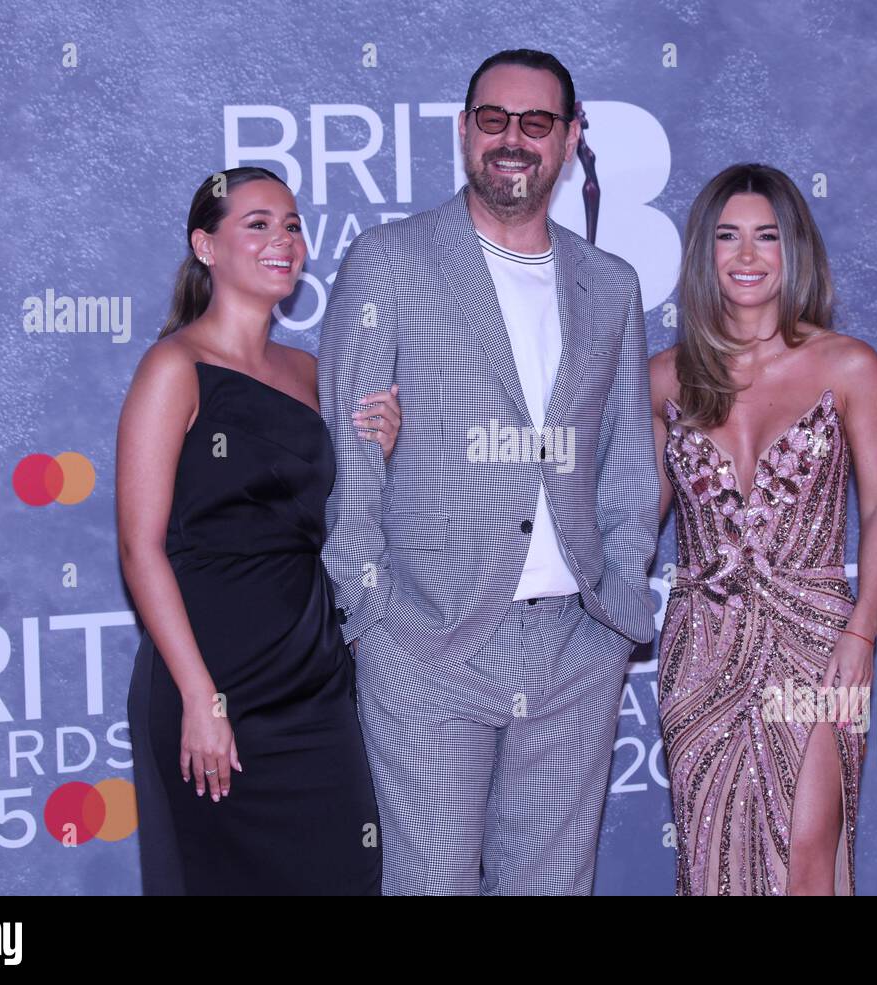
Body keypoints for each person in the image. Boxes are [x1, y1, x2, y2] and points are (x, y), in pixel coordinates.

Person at [318, 49, 658, 895]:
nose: (513, 139)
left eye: (537, 122)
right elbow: (351, 453)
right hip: (428, 639)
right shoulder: (389, 262)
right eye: (494, 120)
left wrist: (616, 607)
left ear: (572, 137)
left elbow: (626, 460)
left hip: (575, 644)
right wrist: (371, 620)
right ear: (464, 131)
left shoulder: (610, 284)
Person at [119, 166, 401, 895]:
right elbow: (139, 546)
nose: (283, 239)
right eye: (258, 223)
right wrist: (200, 697)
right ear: (205, 247)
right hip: (212, 680)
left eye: (292, 224)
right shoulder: (173, 367)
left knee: (347, 871)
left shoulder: (312, 371)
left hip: (314, 678)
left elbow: (349, 516)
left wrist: (382, 452)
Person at [650, 163, 877, 895]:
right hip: (702, 647)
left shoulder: (848, 365)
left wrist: (863, 632)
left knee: (807, 852)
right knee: (713, 863)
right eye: (729, 236)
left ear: (795, 251)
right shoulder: (664, 378)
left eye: (766, 236)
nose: (748, 255)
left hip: (821, 641)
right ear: (705, 252)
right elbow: (634, 516)